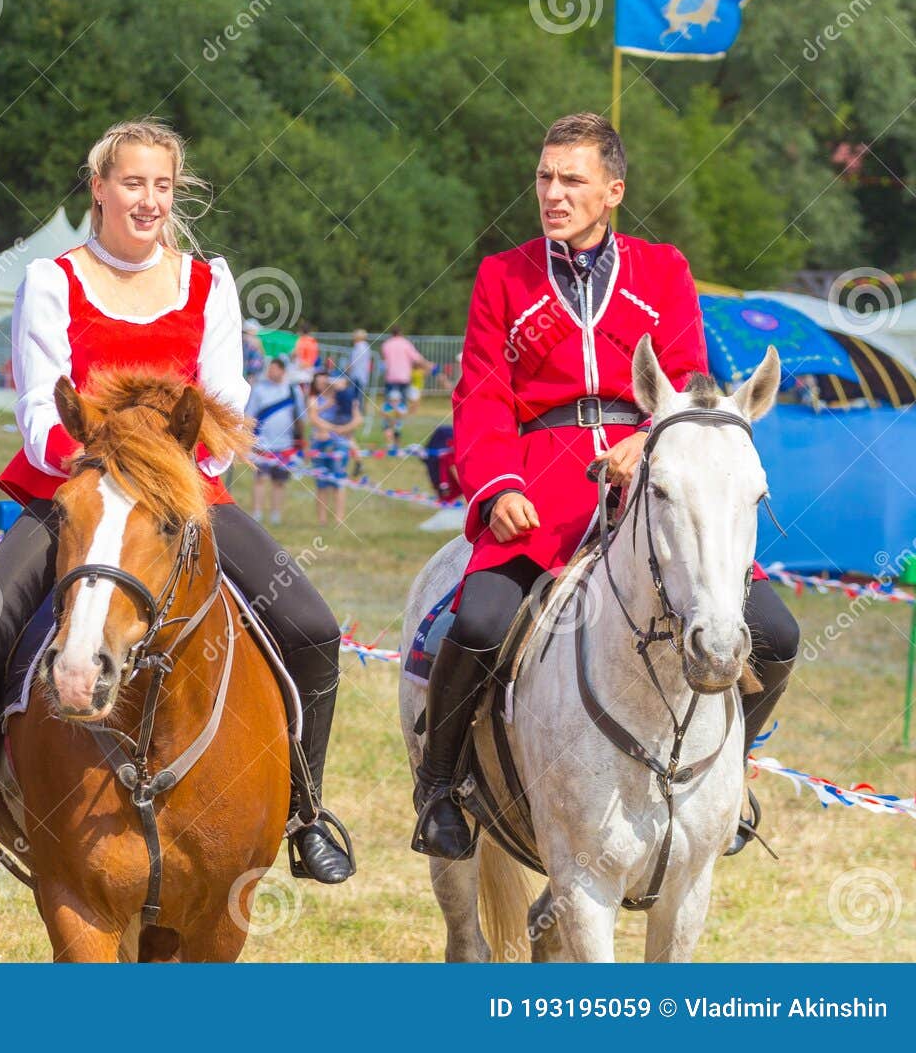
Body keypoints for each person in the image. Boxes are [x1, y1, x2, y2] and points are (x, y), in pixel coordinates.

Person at [0, 117, 354, 899]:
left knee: (312, 626)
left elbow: (224, 406)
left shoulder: (211, 281)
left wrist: (170, 470)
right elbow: (41, 415)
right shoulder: (53, 279)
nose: (149, 200)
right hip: (77, 487)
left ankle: (306, 815)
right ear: (100, 189)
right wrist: (106, 464)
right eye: (134, 183)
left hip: (182, 498)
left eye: (163, 186)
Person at [412, 112, 798, 862]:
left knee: (777, 634)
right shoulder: (504, 275)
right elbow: (482, 394)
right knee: (484, 620)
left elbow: (686, 379)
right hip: (538, 481)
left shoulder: (664, 270)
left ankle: (727, 776)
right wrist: (496, 487)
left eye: (572, 179)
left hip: (654, 478)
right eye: (544, 178)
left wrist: (643, 439)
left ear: (612, 190)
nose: (552, 193)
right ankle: (441, 786)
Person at [244, 355, 300, 524]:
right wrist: (247, 440)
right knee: (260, 479)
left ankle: (276, 514)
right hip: (263, 444)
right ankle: (257, 513)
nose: (270, 372)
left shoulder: (293, 390)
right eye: (269, 368)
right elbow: (249, 415)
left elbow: (300, 416)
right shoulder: (260, 389)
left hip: (285, 445)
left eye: (274, 369)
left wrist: (301, 441)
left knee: (279, 482)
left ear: (282, 371)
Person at [308, 371, 363, 526]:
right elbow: (313, 418)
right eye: (318, 381)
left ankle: (339, 519)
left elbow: (358, 418)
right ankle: (322, 520)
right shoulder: (315, 399)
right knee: (321, 483)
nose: (322, 384)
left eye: (324, 381)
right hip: (319, 443)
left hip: (339, 444)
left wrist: (343, 429)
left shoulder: (345, 397)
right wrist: (334, 428)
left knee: (339, 481)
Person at [379, 326, 427, 447]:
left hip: (390, 379)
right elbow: (417, 358)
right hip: (404, 379)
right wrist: (427, 365)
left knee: (388, 409)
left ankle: (388, 437)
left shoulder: (386, 344)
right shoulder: (406, 344)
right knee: (401, 410)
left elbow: (384, 360)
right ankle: (396, 439)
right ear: (401, 333)